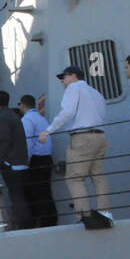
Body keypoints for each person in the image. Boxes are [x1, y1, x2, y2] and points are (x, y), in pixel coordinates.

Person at [40, 65, 111, 226]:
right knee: (99, 178)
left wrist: (48, 131)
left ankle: (84, 217)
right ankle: (105, 214)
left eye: (63, 77)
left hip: (82, 138)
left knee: (74, 178)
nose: (62, 81)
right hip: (100, 137)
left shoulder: (73, 88)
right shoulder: (97, 93)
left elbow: (68, 112)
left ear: (73, 76)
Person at [0, 90, 31, 230]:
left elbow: (5, 140)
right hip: (21, 161)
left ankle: (23, 225)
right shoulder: (13, 115)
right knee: (20, 194)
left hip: (12, 162)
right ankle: (24, 223)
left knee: (16, 195)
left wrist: (1, 160)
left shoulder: (2, 117)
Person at [18, 94, 57, 227]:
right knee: (45, 192)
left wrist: (25, 162)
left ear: (22, 105)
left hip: (35, 160)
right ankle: (51, 220)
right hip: (46, 158)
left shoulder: (26, 120)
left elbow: (27, 142)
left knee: (34, 194)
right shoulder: (42, 119)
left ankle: (39, 222)